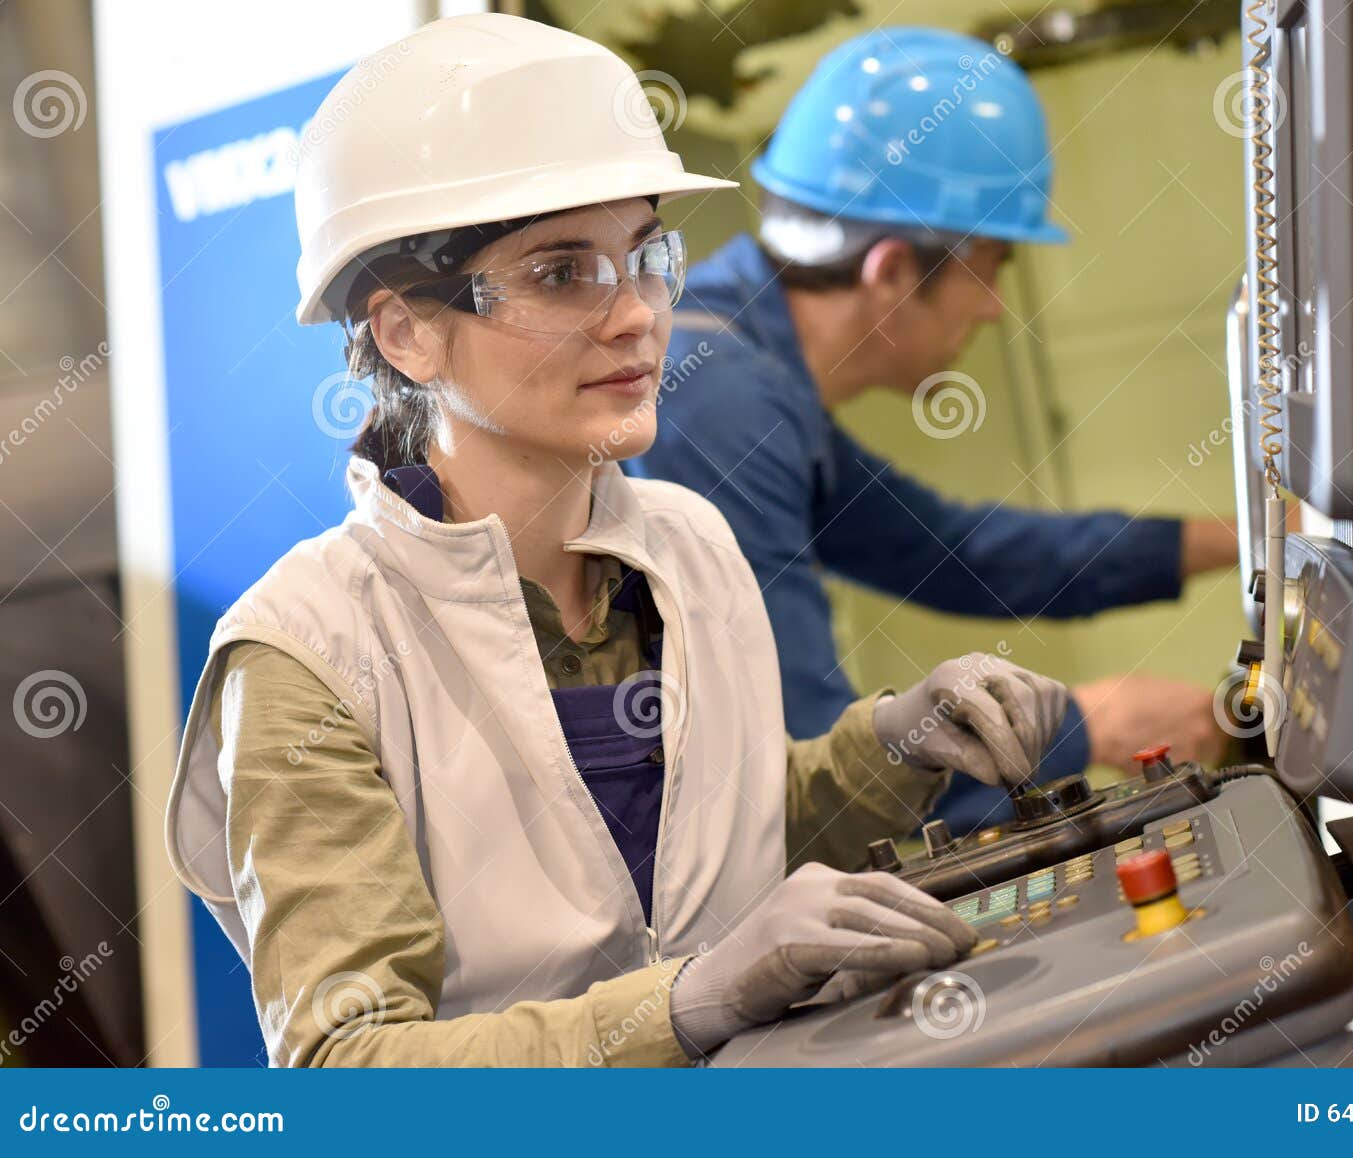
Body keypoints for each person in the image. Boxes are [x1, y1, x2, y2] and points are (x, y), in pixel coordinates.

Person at [164, 14, 1080, 1069]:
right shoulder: (307, 654)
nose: (638, 315)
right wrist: (689, 1003)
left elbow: (719, 834)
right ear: (406, 331)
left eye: (643, 258)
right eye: (562, 274)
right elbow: (352, 1070)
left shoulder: (689, 546)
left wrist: (895, 744)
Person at [639, 27, 1232, 834]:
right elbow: (807, 764)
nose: (993, 307)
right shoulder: (721, 401)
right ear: (889, 273)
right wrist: (1084, 727)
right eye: (988, 268)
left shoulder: (746, 364)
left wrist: (1236, 538)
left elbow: (957, 555)